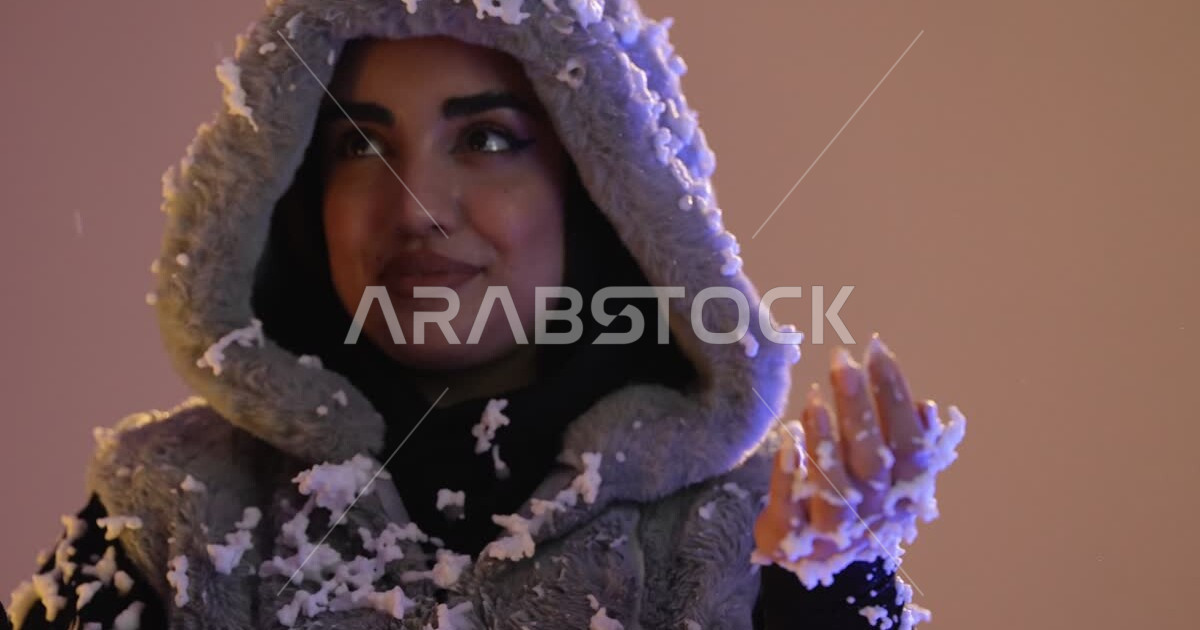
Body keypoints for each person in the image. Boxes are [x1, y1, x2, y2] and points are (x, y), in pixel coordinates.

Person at [6, 1, 966, 628]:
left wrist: (827, 588)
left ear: (603, 187)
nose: (416, 206)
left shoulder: (740, 535)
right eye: (358, 146)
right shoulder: (168, 518)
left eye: (489, 138)